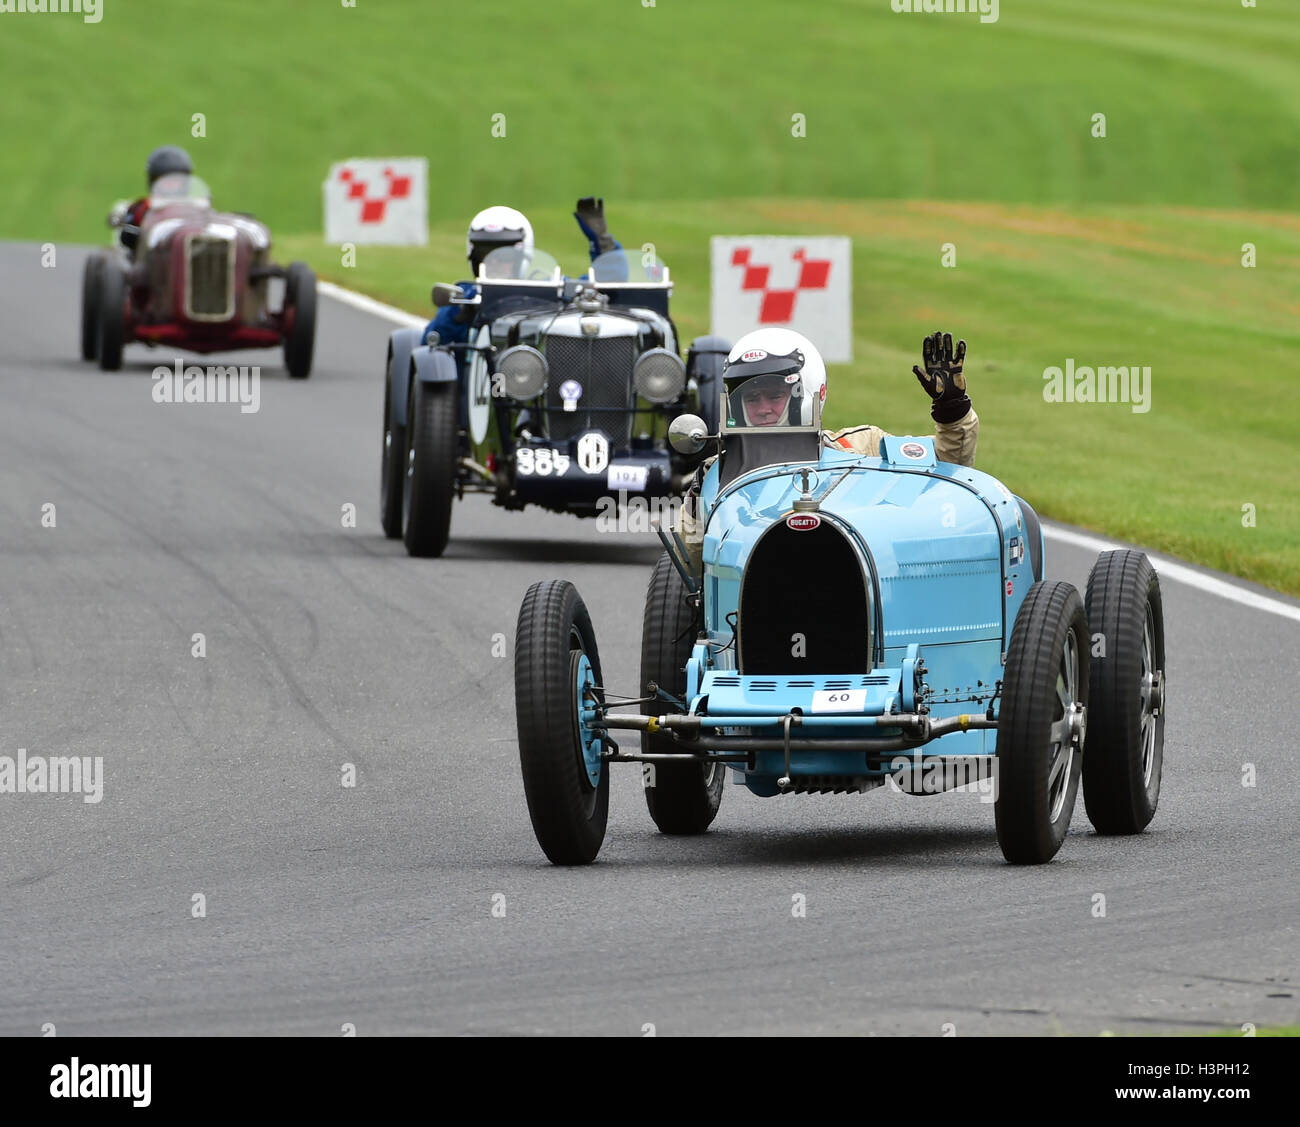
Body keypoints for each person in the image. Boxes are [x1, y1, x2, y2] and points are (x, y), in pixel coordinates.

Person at [676, 326, 979, 574]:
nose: (763, 409)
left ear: (807, 392)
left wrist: (951, 411)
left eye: (774, 395)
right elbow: (693, 567)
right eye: (752, 399)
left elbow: (945, 471)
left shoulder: (862, 445)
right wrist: (696, 499)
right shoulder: (716, 470)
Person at [422, 197, 623, 347]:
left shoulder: (549, 288)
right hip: (473, 392)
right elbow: (431, 343)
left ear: (522, 257)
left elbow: (607, 284)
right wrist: (459, 317)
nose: (496, 262)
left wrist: (604, 244)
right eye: (487, 255)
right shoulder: (467, 297)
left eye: (506, 256)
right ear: (474, 259)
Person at [116, 145, 195, 255]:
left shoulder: (195, 207)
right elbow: (126, 239)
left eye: (176, 181)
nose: (172, 186)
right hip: (151, 262)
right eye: (166, 182)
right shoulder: (143, 207)